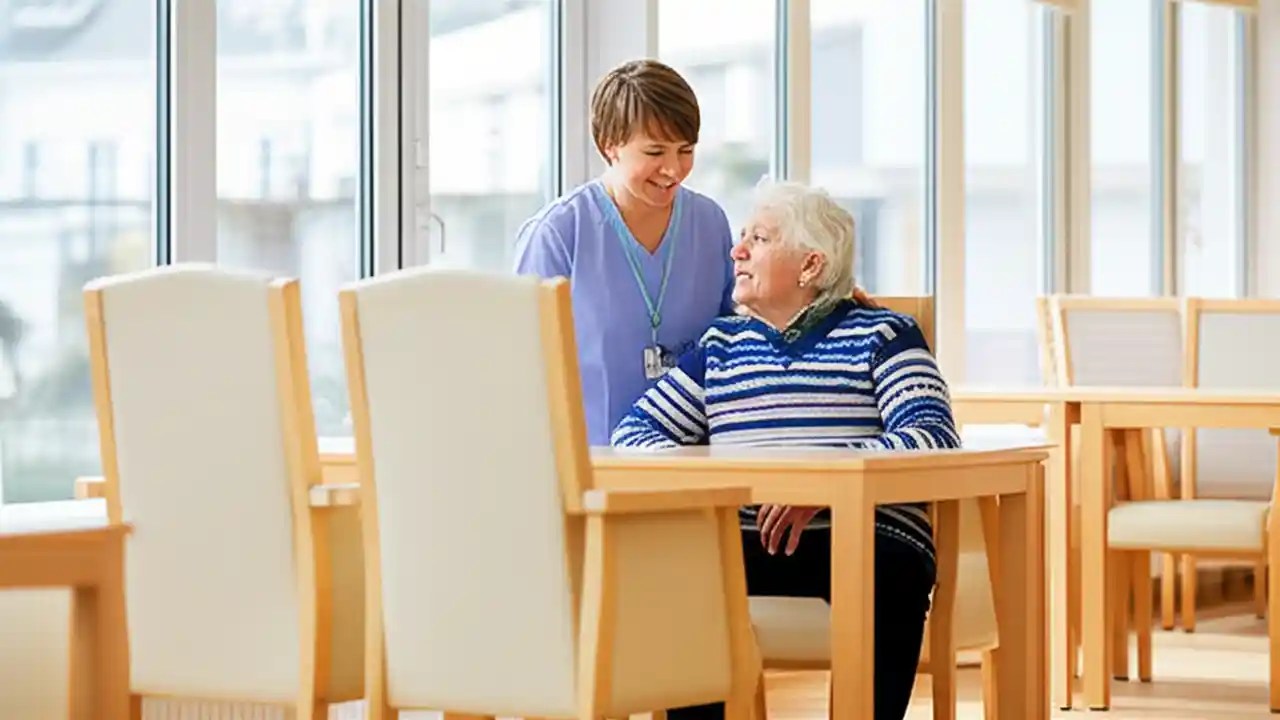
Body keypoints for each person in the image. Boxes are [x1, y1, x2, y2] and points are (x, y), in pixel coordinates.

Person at [612, 180, 961, 720]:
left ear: (810, 266)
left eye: (759, 238)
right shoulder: (721, 345)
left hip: (865, 537)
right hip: (745, 538)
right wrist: (713, 493)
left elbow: (930, 436)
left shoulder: (886, 334)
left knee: (893, 572)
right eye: (742, 236)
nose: (738, 250)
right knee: (682, 571)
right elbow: (635, 435)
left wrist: (817, 487)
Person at [513, 59, 736, 446]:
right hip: (589, 464)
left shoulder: (710, 223)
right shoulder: (559, 233)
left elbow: (739, 334)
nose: (673, 169)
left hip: (694, 463)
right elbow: (522, 369)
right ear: (610, 146)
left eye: (686, 150)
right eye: (654, 152)